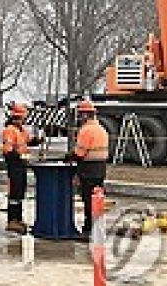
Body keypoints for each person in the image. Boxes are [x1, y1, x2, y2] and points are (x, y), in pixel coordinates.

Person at [68, 99, 109, 240]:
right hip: (100, 169)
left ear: (85, 115)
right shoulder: (101, 129)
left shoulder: (85, 131)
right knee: (96, 201)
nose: (79, 118)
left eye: (80, 115)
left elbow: (80, 153)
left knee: (87, 201)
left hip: (88, 169)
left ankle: (88, 230)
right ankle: (96, 229)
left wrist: (70, 157)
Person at [1, 103, 41, 234]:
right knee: (14, 193)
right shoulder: (10, 130)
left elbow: (27, 141)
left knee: (19, 193)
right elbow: (8, 150)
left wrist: (38, 140)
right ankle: (12, 220)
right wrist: (19, 157)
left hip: (21, 165)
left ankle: (17, 219)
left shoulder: (21, 130)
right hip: (14, 166)